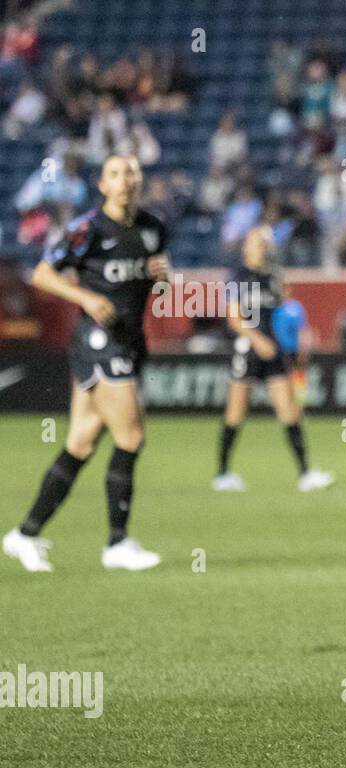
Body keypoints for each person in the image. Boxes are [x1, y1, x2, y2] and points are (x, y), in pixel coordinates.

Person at [5, 154, 170, 572]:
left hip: (130, 341)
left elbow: (153, 285)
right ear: (102, 184)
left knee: (80, 443)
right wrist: (86, 298)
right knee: (131, 438)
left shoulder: (153, 229)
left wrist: (161, 278)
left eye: (131, 172)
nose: (125, 180)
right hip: (98, 343)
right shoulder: (87, 229)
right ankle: (117, 543)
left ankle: (24, 534)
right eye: (115, 173)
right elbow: (42, 273)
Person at [213, 225, 334, 493]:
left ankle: (305, 473)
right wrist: (259, 341)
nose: (262, 247)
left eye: (265, 243)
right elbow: (234, 319)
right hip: (248, 347)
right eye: (257, 242)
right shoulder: (237, 276)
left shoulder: (271, 276)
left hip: (272, 348)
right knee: (236, 413)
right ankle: (222, 473)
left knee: (290, 409)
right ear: (246, 246)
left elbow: (279, 307)